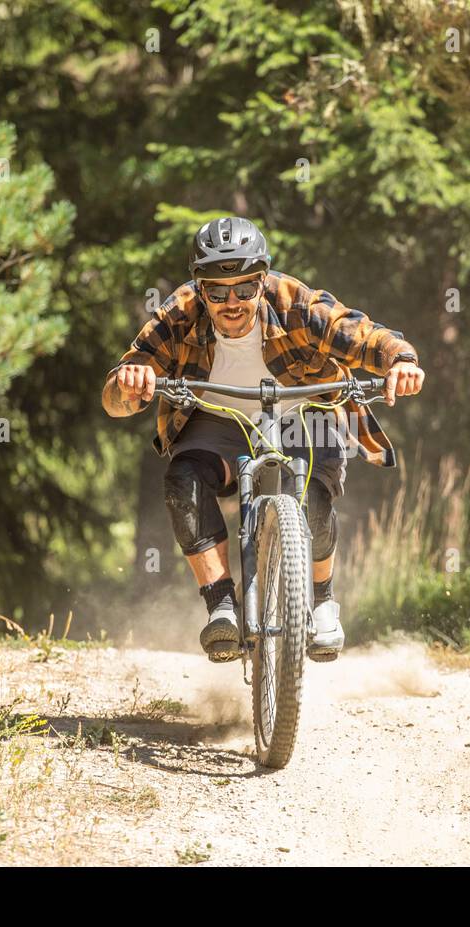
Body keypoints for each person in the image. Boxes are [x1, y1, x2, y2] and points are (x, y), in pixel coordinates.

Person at [102, 216, 424, 662]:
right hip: (219, 416)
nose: (231, 302)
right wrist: (129, 382)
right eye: (217, 291)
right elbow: (116, 400)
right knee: (184, 478)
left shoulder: (293, 301)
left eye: (244, 289)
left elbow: (361, 334)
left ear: (261, 281)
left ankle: (322, 600)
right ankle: (222, 607)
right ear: (200, 289)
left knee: (312, 495)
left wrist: (401, 361)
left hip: (301, 410)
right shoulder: (178, 314)